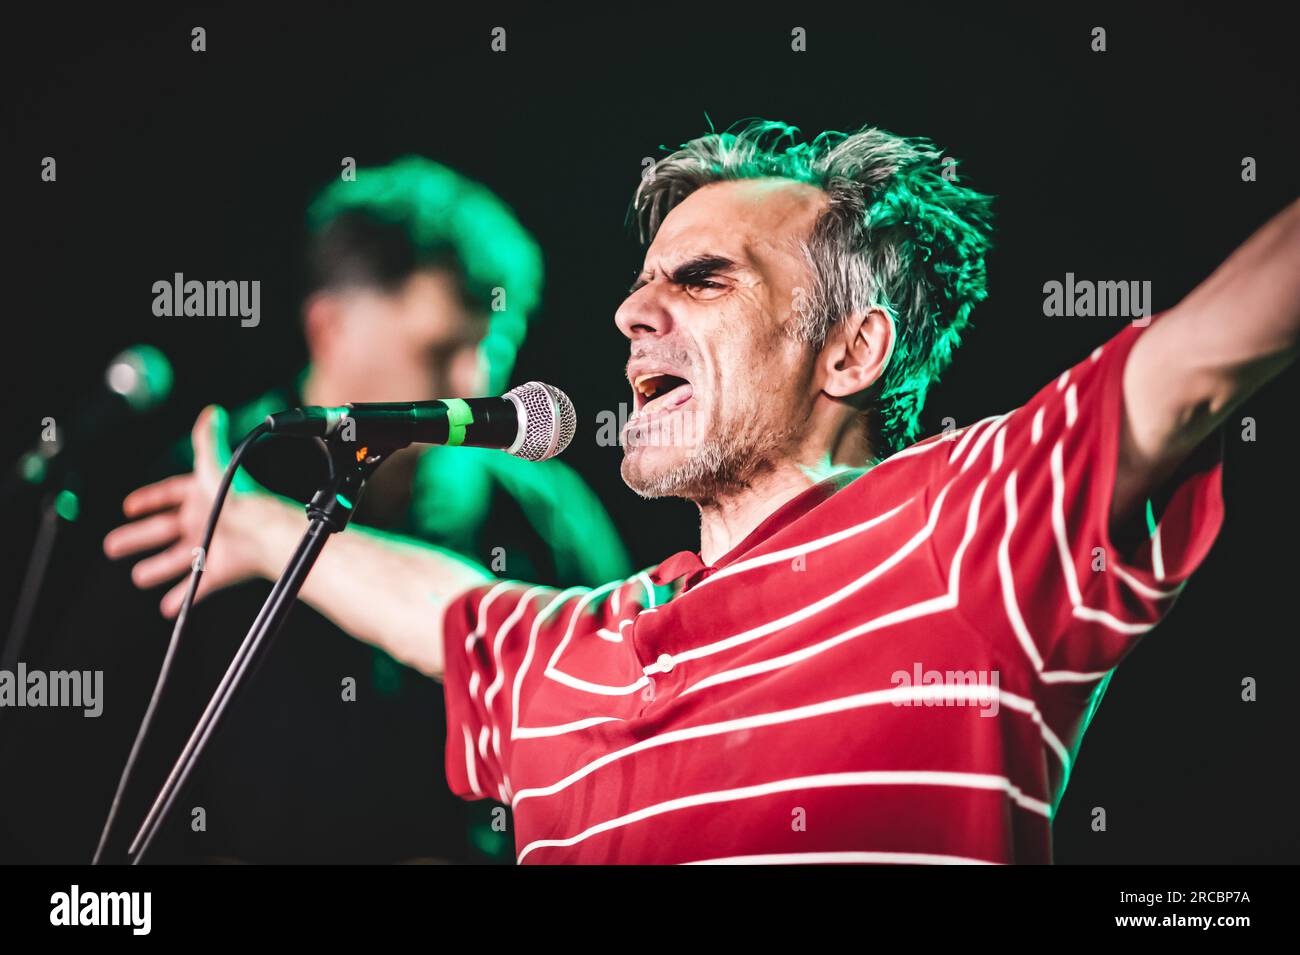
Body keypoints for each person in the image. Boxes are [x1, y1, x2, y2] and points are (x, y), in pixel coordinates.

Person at [107, 120, 1300, 864]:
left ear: (849, 352)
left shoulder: (963, 523)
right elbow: (441, 611)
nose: (631, 313)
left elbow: (1208, 357)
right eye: (639, 285)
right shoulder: (585, 646)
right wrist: (264, 529)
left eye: (703, 279)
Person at [102, 157, 630, 863]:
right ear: (328, 326)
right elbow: (107, 762)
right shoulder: (202, 493)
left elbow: (617, 735)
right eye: (440, 347)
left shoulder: (544, 510)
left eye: (491, 346)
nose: (476, 381)